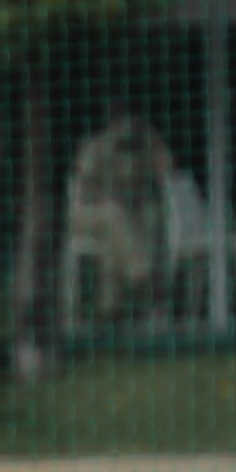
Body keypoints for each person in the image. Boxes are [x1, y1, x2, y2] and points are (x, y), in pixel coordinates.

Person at [65, 106, 172, 323]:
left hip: (117, 222)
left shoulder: (140, 150)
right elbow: (84, 189)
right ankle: (145, 280)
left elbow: (167, 167)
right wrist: (110, 197)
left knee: (119, 236)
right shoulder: (95, 147)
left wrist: (151, 136)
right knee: (113, 215)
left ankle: (110, 312)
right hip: (84, 214)